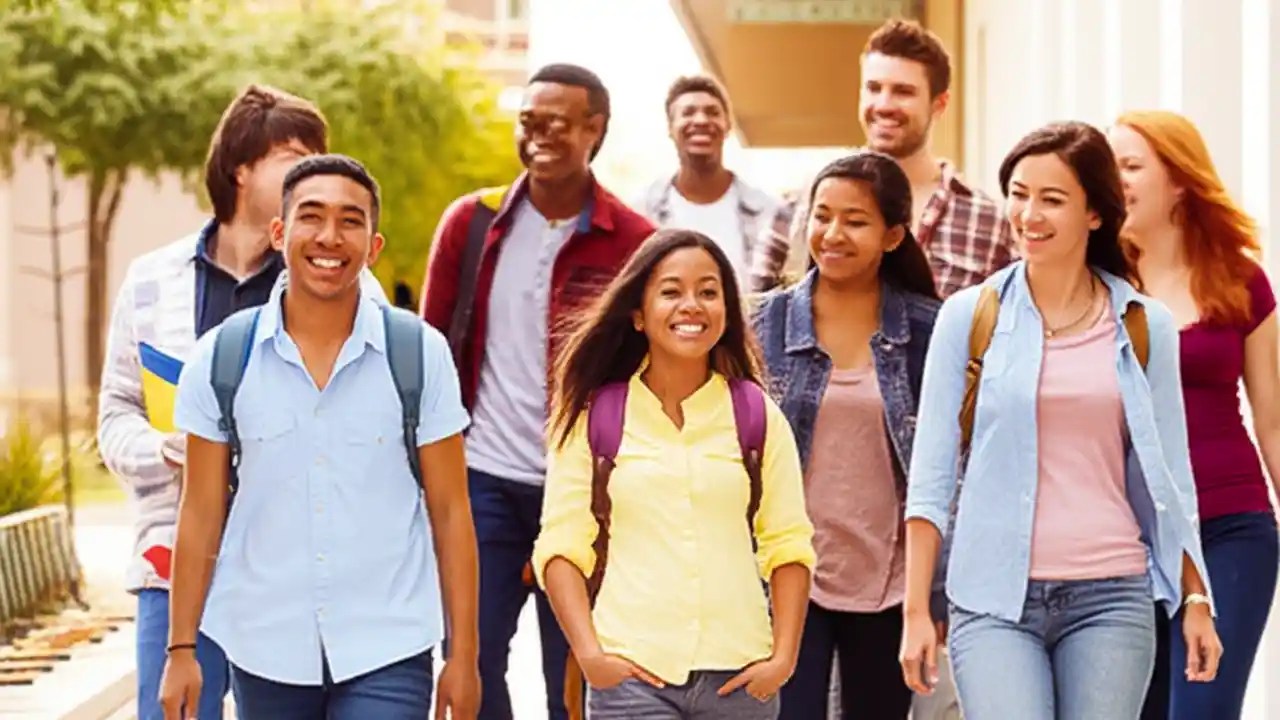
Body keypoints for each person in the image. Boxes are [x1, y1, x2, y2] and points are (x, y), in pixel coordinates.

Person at [899, 121, 1223, 719]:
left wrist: (1195, 596)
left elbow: (1171, 477)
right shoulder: (969, 317)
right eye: (1018, 195)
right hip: (993, 600)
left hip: (1111, 597)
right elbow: (932, 475)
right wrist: (917, 610)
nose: (1028, 215)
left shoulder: (1143, 325)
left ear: (1095, 213)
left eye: (1051, 199)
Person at [159, 155, 480, 719]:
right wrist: (181, 649)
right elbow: (200, 510)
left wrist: (464, 655)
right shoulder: (222, 357)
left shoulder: (419, 353)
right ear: (279, 234)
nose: (330, 236)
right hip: (264, 646)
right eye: (312, 216)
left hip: (389, 644)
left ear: (373, 246)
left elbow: (451, 510)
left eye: (351, 221)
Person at [419, 62, 654, 720]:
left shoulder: (634, 242)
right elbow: (431, 352)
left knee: (576, 675)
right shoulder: (470, 224)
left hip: (584, 493)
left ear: (594, 130)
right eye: (529, 122)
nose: (539, 136)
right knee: (469, 657)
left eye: (557, 123)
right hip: (483, 483)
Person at [97, 84, 328, 720]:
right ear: (240, 168)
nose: (308, 172)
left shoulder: (333, 280)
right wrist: (165, 449)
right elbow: (116, 414)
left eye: (316, 157)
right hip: (173, 564)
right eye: (291, 155)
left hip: (294, 572)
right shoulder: (151, 282)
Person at [532, 228, 816, 719]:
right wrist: (591, 655)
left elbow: (788, 542)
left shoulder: (756, 414)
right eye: (671, 291)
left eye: (709, 292)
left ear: (726, 311)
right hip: (634, 676)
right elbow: (561, 545)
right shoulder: (594, 416)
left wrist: (783, 659)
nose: (692, 305)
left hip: (741, 680)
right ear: (638, 314)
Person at [752, 151, 940, 719]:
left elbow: (949, 463)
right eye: (822, 215)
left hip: (891, 584)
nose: (832, 234)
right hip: (787, 577)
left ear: (892, 235)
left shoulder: (932, 330)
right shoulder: (762, 323)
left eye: (855, 221)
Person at [1110, 111, 1280, 720]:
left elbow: (1273, 423)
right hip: (1129, 539)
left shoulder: (1240, 282)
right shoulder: (1098, 286)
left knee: (1202, 710)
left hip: (1231, 528)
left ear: (1179, 181)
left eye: (1132, 166)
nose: (1117, 179)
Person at [750, 18, 1015, 301]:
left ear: (939, 105)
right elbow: (750, 321)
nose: (884, 105)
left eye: (903, 92)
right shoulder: (801, 203)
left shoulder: (989, 222)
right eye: (874, 88)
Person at [635, 74, 781, 287]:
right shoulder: (643, 211)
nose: (701, 120)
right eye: (688, 113)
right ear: (670, 127)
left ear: (728, 125)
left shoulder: (767, 212)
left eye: (712, 112)